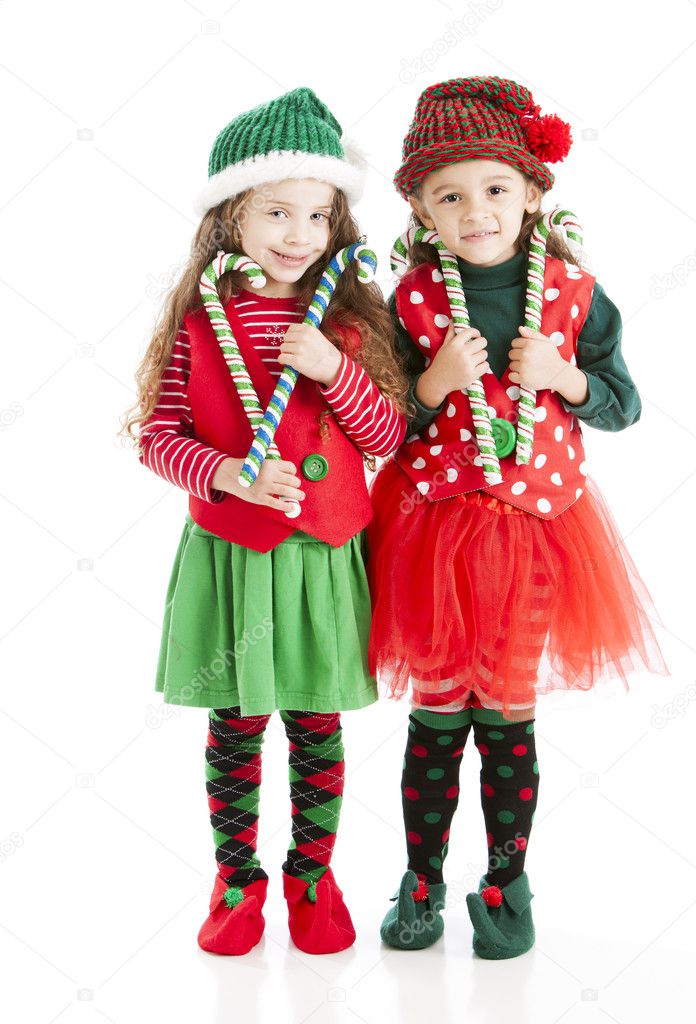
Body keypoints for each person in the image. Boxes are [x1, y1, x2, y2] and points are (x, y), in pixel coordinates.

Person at [366, 76, 670, 959]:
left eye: (495, 189)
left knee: (504, 711)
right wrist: (433, 383)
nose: (475, 211)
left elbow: (622, 405)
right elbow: (380, 416)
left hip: (536, 529)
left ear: (533, 193)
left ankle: (506, 874)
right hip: (433, 525)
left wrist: (564, 376)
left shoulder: (572, 295)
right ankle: (420, 874)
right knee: (436, 710)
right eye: (448, 196)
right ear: (421, 209)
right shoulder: (416, 300)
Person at [122, 87, 407, 957]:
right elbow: (157, 438)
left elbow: (386, 434)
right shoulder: (199, 321)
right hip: (236, 553)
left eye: (317, 215)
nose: (298, 234)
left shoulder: (352, 316)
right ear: (229, 217)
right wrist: (227, 476)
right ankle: (236, 877)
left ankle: (312, 877)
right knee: (237, 723)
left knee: (315, 719)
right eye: (275, 211)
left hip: (321, 553)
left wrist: (333, 368)